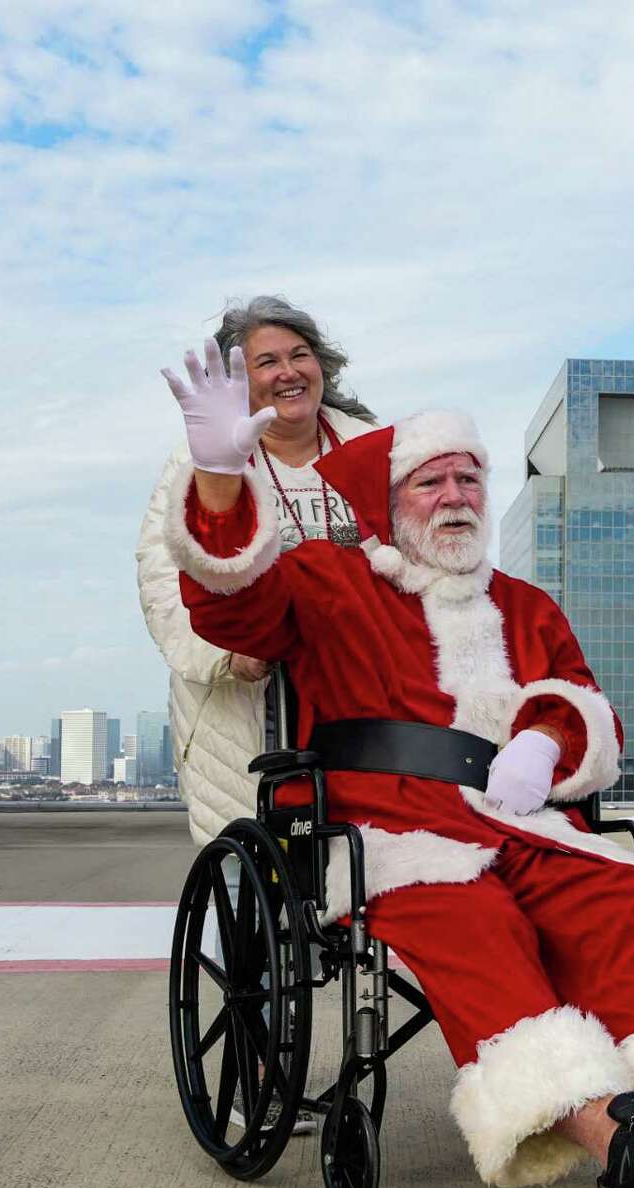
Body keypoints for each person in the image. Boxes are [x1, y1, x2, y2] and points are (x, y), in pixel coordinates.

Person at [160, 346, 634, 1188]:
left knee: (617, 894)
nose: (455, 496)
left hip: (525, 820)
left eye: (468, 478)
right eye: (431, 481)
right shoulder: (330, 581)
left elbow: (589, 709)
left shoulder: (526, 603)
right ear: (390, 505)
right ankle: (620, 1142)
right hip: (390, 826)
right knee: (468, 917)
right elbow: (227, 607)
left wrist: (544, 739)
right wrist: (215, 475)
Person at [135, 296, 384, 851]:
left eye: (300, 355)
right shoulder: (199, 461)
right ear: (236, 381)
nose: (289, 372)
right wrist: (229, 657)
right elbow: (162, 582)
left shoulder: (378, 448)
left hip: (364, 696)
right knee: (249, 882)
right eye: (266, 362)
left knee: (366, 865)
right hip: (243, 704)